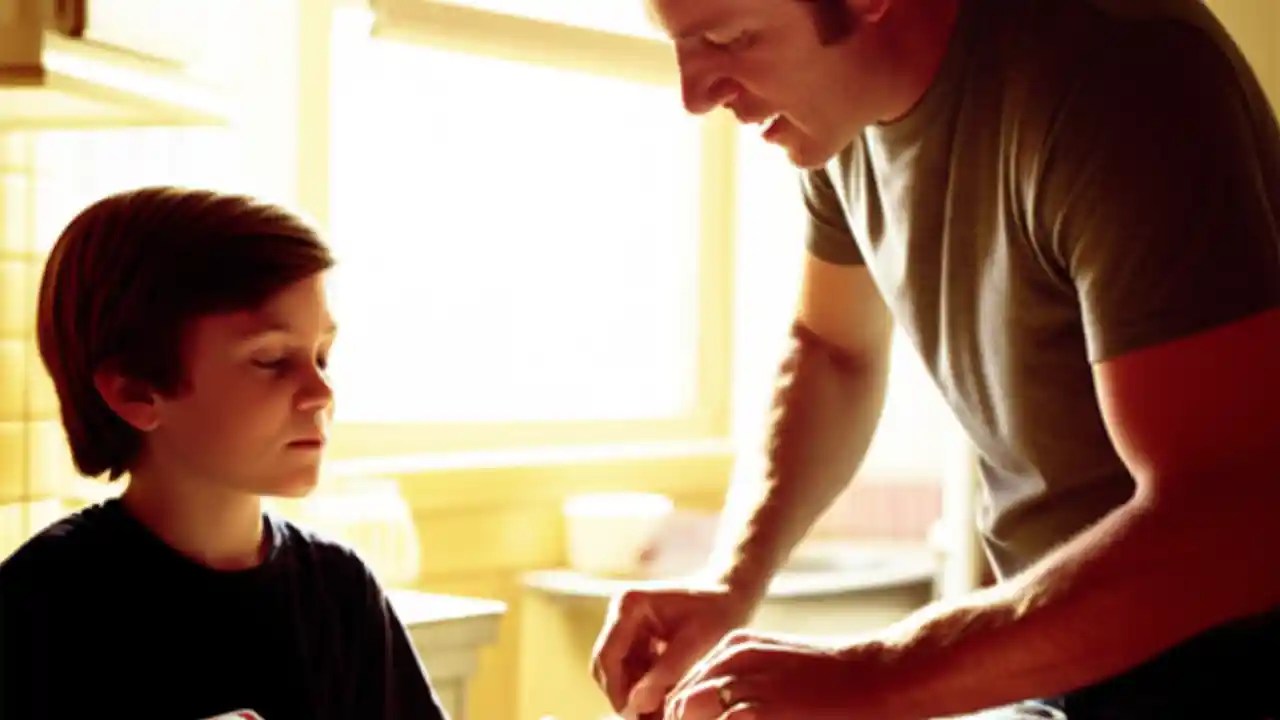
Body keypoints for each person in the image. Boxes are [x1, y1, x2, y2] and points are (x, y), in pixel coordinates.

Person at [591, 0, 1280, 717]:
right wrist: (729, 580)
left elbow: (1229, 521)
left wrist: (870, 676)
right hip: (1065, 671)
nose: (694, 95)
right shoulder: (838, 109)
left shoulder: (1121, 74)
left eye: (730, 37)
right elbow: (832, 351)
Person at [0, 186, 447, 720]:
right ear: (136, 391)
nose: (321, 392)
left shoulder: (339, 589)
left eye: (322, 356)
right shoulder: (43, 602)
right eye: (272, 359)